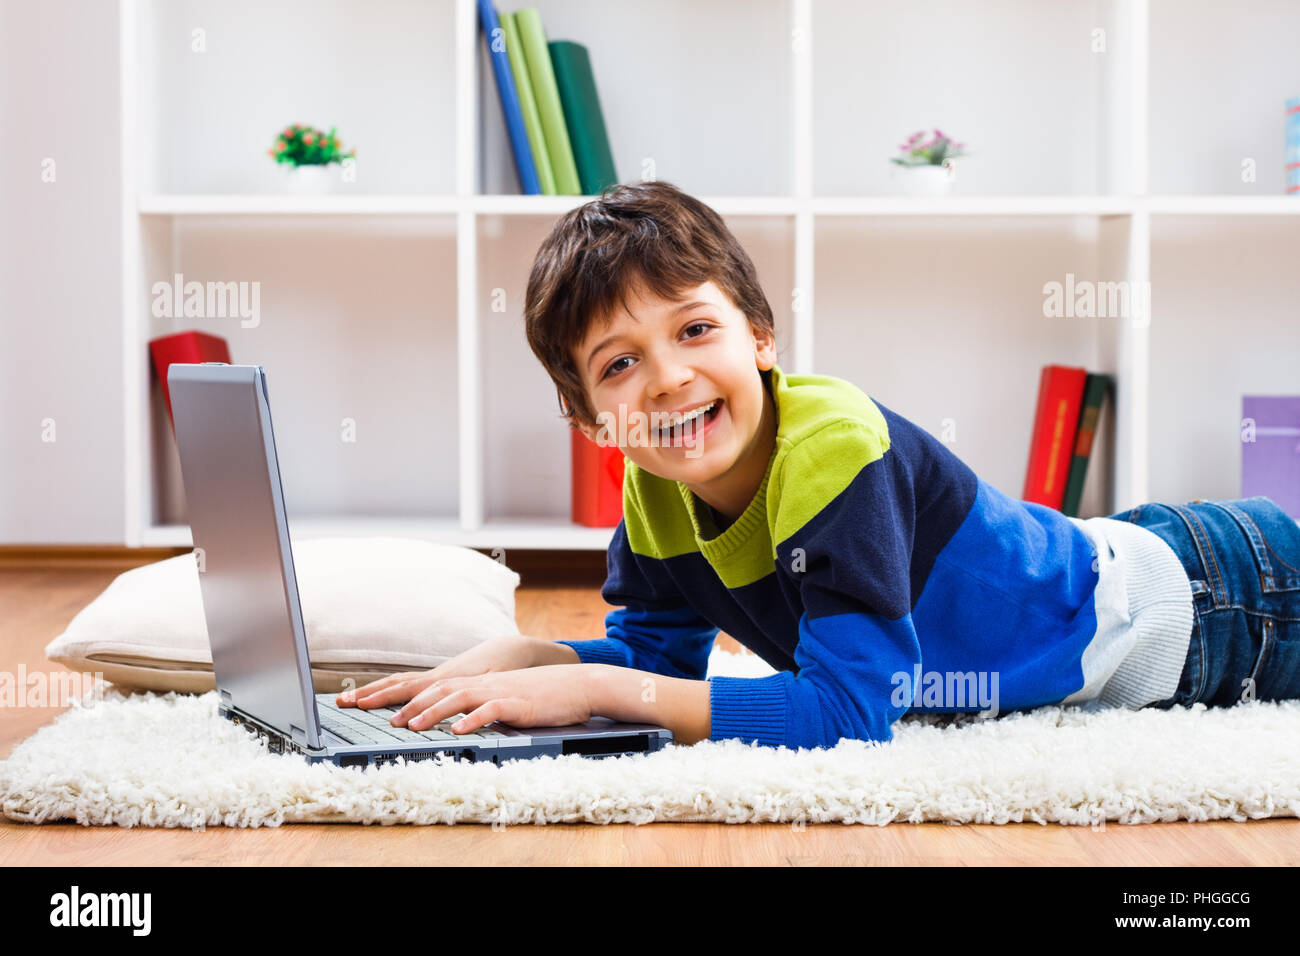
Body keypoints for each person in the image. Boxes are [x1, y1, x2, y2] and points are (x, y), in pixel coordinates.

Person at [337, 180, 1300, 750]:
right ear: (591, 419)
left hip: (1219, 605)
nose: (669, 379)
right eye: (620, 364)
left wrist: (590, 692)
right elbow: (652, 664)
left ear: (760, 334)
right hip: (1136, 563)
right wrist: (532, 659)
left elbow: (852, 710)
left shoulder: (831, 448)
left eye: (696, 329)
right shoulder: (654, 487)